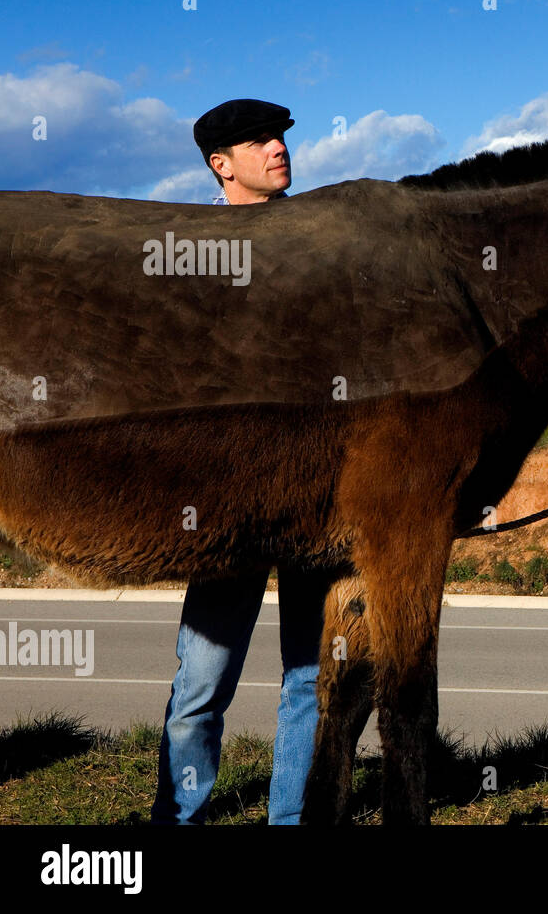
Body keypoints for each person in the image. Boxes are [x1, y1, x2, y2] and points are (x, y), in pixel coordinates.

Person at [152, 99, 321, 824]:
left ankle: (292, 821)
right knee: (201, 684)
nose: (279, 147)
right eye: (261, 141)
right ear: (221, 164)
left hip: (320, 494)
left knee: (312, 680)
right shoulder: (191, 254)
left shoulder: (318, 242)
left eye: (281, 136)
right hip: (231, 504)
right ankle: (180, 818)